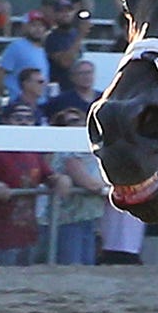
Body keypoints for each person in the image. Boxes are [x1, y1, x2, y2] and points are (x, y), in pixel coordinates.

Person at [0, 101, 71, 266]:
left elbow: (48, 176)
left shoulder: (33, 154)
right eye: (18, 119)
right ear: (6, 121)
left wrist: (61, 179)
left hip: (28, 233)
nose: (24, 123)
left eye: (29, 119)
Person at [49, 107, 108, 265]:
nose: (80, 124)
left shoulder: (92, 151)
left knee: (88, 266)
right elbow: (89, 183)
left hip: (90, 217)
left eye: (82, 120)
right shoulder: (67, 153)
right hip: (69, 220)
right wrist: (105, 185)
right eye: (73, 121)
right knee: (71, 267)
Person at [0, 10, 49, 113]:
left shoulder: (42, 50)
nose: (38, 29)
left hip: (39, 103)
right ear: (25, 27)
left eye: (41, 26)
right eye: (33, 25)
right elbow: (1, 72)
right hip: (20, 103)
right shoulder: (17, 46)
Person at [44, 0, 92, 91]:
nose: (66, 14)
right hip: (61, 88)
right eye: (61, 11)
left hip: (77, 88)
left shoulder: (75, 33)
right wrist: (81, 36)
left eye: (69, 11)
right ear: (55, 14)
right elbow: (65, 62)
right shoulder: (52, 37)